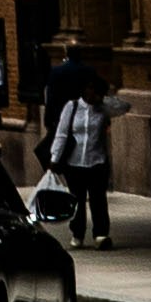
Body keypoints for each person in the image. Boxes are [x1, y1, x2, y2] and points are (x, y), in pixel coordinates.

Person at [44, 69, 116, 246]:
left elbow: (123, 106)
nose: (96, 96)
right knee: (77, 199)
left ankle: (100, 234)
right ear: (86, 90)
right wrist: (54, 159)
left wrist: (104, 101)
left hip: (97, 161)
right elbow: (61, 134)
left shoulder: (103, 109)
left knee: (98, 199)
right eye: (95, 92)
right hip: (74, 162)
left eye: (100, 93)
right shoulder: (72, 107)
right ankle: (78, 233)